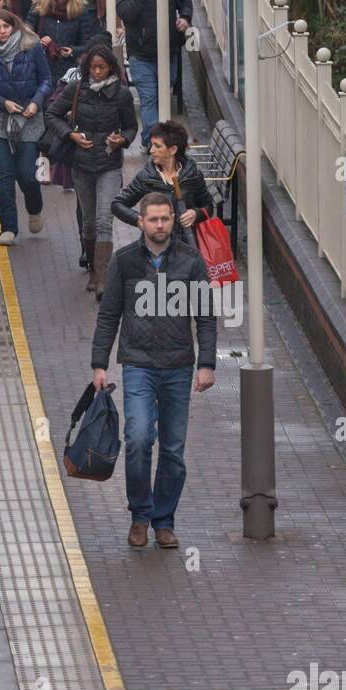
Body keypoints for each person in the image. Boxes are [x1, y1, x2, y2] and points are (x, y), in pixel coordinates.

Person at [91, 192, 216, 550]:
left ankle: (164, 521)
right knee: (139, 438)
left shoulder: (191, 262)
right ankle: (140, 516)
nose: (160, 225)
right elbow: (109, 315)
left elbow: (206, 316)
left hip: (178, 366)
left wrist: (206, 363)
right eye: (153, 219)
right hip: (138, 365)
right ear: (140, 222)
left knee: (173, 450)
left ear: (172, 221)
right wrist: (99, 363)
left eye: (165, 219)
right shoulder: (125, 261)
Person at [44, 41, 137, 298]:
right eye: (93, 68)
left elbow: (131, 126)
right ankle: (94, 271)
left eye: (102, 68)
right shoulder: (75, 89)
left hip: (109, 163)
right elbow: (51, 114)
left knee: (104, 219)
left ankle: (104, 276)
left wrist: (123, 140)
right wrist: (71, 135)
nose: (97, 72)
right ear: (87, 68)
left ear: (110, 68)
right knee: (89, 222)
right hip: (82, 163)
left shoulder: (121, 94)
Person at [0, 10, 51, 244]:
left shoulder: (32, 45)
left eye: (6, 27)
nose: (2, 32)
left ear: (14, 25)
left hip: (29, 114)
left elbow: (46, 79)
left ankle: (34, 207)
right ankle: (8, 228)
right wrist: (2, 102)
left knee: (27, 174)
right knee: (4, 174)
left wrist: (37, 102)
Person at [116, 0, 193, 149]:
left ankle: (157, 136)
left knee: (163, 92)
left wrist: (185, 18)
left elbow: (186, 0)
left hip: (168, 53)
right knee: (149, 98)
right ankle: (153, 143)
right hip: (141, 57)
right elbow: (127, 14)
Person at [112, 119, 213, 235]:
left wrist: (196, 214)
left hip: (186, 244)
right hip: (154, 244)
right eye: (151, 145)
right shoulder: (146, 177)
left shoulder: (192, 175)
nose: (151, 150)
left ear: (173, 150)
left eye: (157, 146)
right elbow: (118, 204)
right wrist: (139, 220)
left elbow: (208, 207)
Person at [27, 0, 98, 93]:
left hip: (69, 70)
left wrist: (73, 51)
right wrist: (39, 42)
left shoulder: (81, 12)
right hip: (42, 66)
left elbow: (88, 43)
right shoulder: (39, 8)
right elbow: (26, 33)